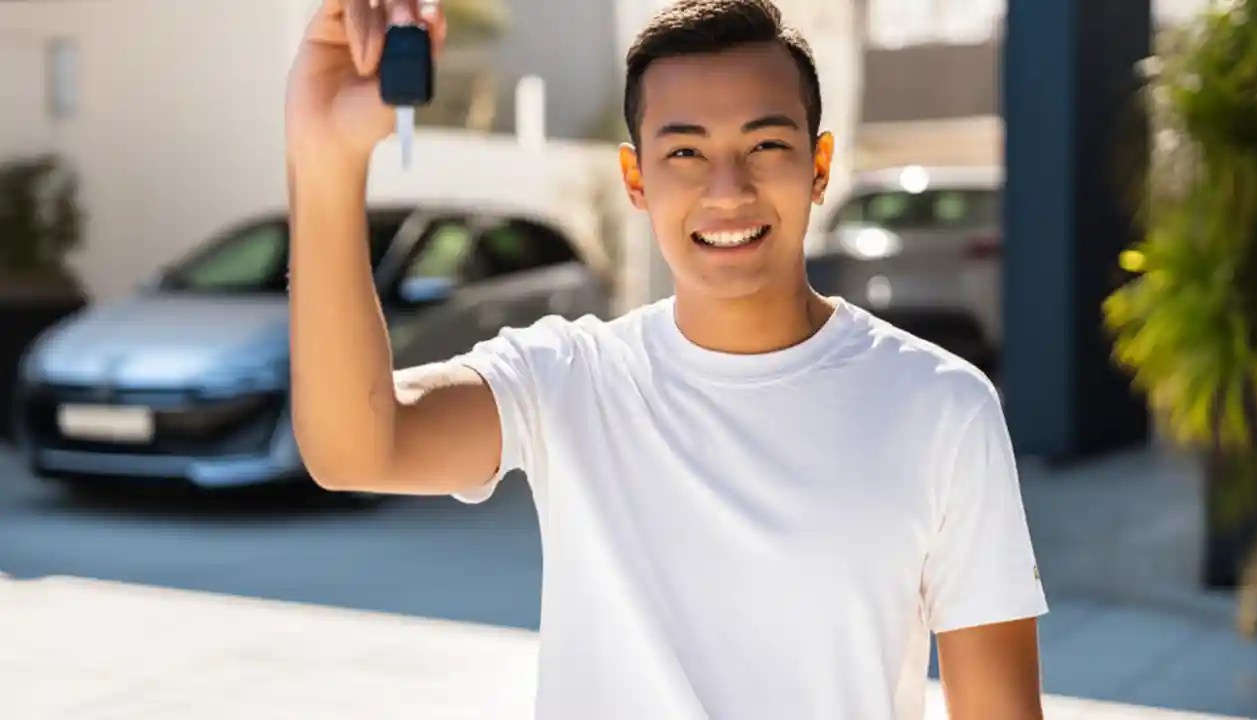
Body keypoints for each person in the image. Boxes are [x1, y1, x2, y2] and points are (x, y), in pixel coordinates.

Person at [285, 0, 1050, 717]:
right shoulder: (569, 380)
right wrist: (326, 158)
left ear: (819, 167)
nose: (728, 189)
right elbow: (355, 446)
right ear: (636, 179)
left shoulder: (942, 405)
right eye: (685, 150)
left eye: (766, 145)